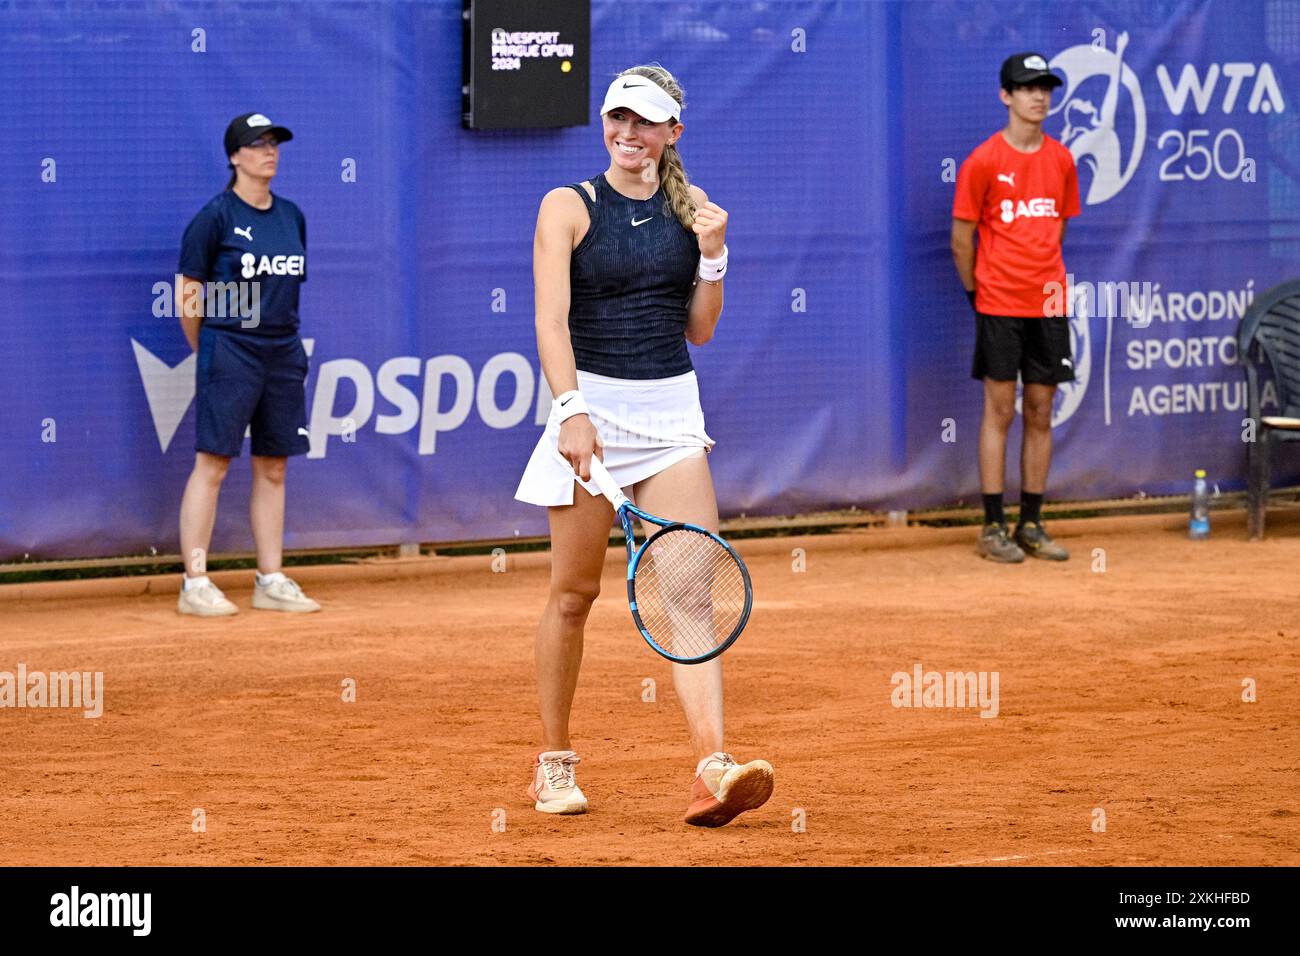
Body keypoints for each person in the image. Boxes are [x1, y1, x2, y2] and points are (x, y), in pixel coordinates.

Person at [514, 64, 774, 826]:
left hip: (671, 419)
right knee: (574, 595)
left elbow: (700, 328)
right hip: (589, 409)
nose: (628, 134)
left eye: (644, 122)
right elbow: (549, 321)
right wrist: (570, 411)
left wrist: (716, 254)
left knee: (690, 595)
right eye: (617, 120)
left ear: (672, 133)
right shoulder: (567, 206)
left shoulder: (691, 210)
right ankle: (554, 764)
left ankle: (713, 767)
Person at [174, 113, 321, 615]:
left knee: (274, 466)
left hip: (282, 350)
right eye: (257, 144)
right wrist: (210, 348)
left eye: (275, 142)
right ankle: (195, 583)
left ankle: (270, 578)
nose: (269, 151)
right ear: (235, 157)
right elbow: (189, 294)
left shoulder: (291, 215)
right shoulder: (214, 217)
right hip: (229, 346)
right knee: (212, 464)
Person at [951, 54, 1082, 563]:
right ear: (1006, 95)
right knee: (1000, 411)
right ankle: (992, 527)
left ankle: (1032, 523)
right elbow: (962, 240)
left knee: (1042, 410)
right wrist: (978, 295)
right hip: (999, 302)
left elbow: (1059, 229)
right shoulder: (983, 162)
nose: (1039, 96)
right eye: (1027, 88)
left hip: (1049, 302)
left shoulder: (1062, 160)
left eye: (1045, 87)